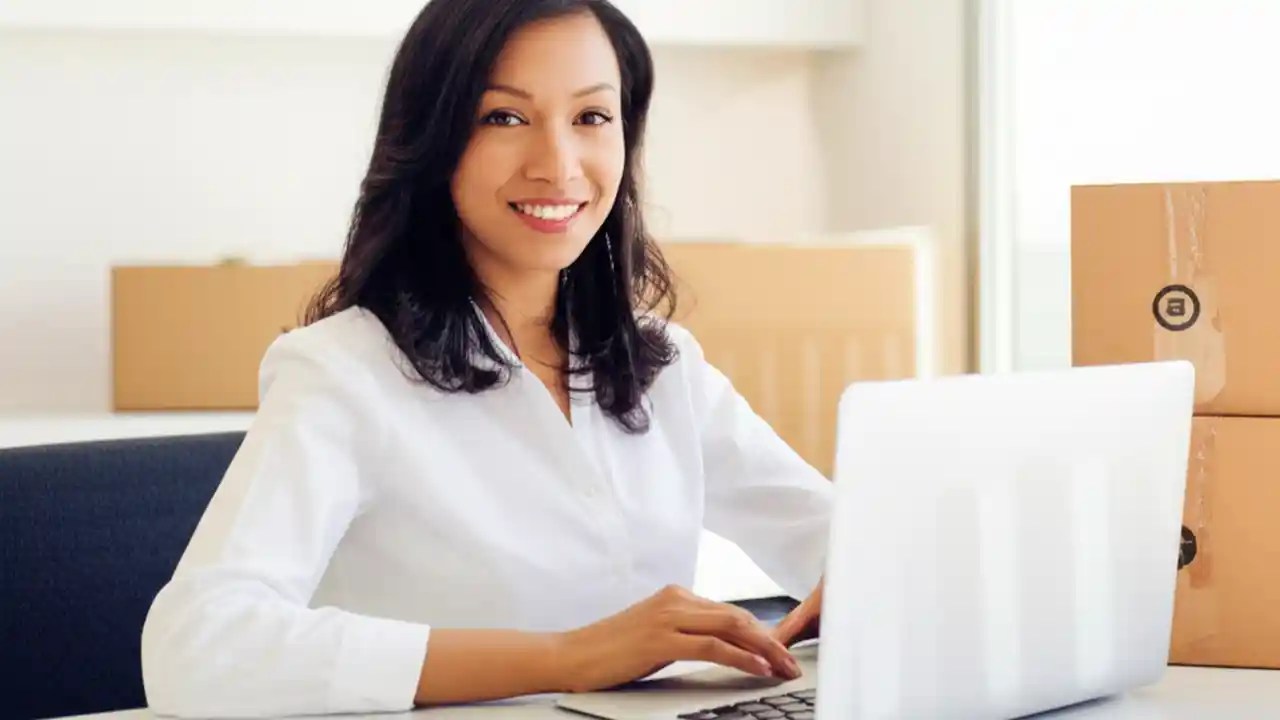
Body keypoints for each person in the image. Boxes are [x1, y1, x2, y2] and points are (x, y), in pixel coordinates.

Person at [140, 0, 832, 716]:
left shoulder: (661, 364)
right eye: (504, 117)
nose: (558, 165)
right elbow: (196, 647)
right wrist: (569, 657)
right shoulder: (342, 373)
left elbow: (841, 540)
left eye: (591, 118)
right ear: (434, 140)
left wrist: (863, 584)